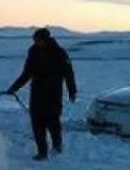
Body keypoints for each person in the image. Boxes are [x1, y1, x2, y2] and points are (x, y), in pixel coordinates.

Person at [7, 28, 77, 160]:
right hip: (37, 92)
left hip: (53, 93)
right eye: (35, 40)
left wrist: (72, 90)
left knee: (53, 122)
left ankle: (57, 147)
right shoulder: (33, 51)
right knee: (37, 122)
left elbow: (69, 74)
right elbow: (27, 73)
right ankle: (42, 152)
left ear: (45, 39)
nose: (36, 42)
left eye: (38, 40)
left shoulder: (59, 53)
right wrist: (14, 87)